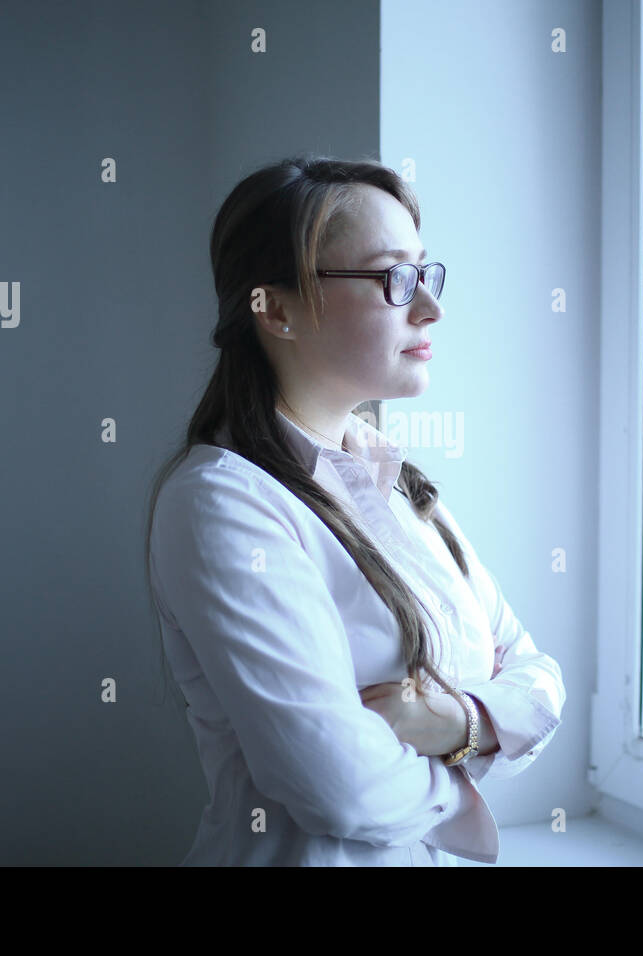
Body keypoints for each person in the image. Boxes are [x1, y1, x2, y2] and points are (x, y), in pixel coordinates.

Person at [144, 153, 565, 865]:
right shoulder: (221, 504)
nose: (431, 306)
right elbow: (338, 786)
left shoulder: (400, 488)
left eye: (425, 272)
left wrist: (457, 721)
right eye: (392, 278)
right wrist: (469, 772)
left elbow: (539, 679)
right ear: (273, 307)